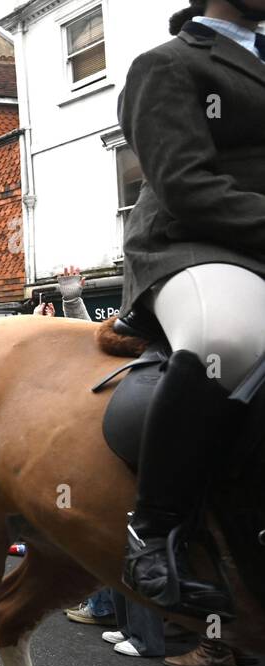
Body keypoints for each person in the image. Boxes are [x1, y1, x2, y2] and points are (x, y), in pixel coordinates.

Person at [116, 0, 265, 616]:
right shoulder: (168, 65)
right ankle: (154, 531)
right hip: (198, 246)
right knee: (221, 341)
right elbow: (185, 184)